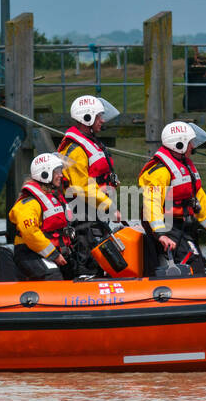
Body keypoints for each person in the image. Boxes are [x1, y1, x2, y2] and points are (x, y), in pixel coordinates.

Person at [138, 121, 206, 274]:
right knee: (194, 265)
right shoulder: (160, 171)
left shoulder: (185, 167)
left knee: (200, 264)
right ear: (180, 144)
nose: (193, 146)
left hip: (184, 226)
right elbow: (152, 203)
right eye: (190, 142)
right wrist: (161, 234)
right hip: (169, 228)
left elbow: (200, 200)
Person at [57, 95, 121, 250]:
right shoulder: (76, 150)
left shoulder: (90, 142)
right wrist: (109, 206)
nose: (102, 120)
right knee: (87, 255)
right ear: (87, 118)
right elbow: (82, 187)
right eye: (99, 116)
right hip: (83, 215)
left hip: (94, 212)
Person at [7, 153, 75, 280]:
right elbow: (30, 232)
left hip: (50, 252)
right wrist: (53, 255)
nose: (61, 175)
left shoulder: (54, 196)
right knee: (53, 277)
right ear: (45, 173)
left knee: (78, 271)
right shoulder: (29, 202)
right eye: (57, 171)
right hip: (30, 254)